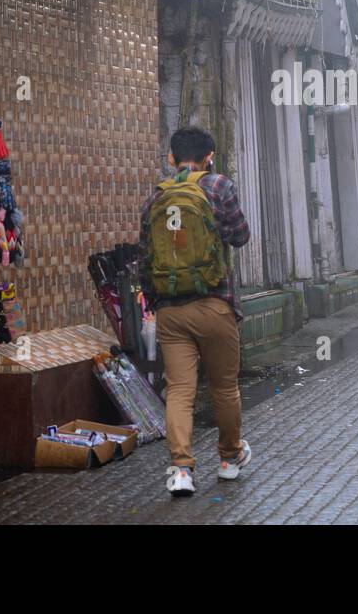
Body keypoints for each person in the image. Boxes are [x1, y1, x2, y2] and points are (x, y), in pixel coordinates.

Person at [140, 126, 251, 497]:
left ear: (171, 159)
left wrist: (155, 301)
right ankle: (229, 459)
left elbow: (146, 258)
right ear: (210, 156)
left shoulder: (156, 197)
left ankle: (181, 470)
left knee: (180, 391)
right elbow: (240, 235)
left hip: (171, 311)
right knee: (223, 387)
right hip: (215, 303)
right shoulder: (220, 186)